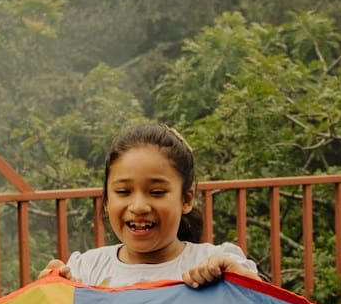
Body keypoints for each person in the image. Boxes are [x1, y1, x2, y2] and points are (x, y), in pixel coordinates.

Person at [42, 122, 262, 288]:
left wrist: (234, 277)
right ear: (107, 200)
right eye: (123, 192)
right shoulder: (87, 270)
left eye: (156, 192)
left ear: (186, 199)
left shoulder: (211, 263)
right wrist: (52, 290)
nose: (138, 206)